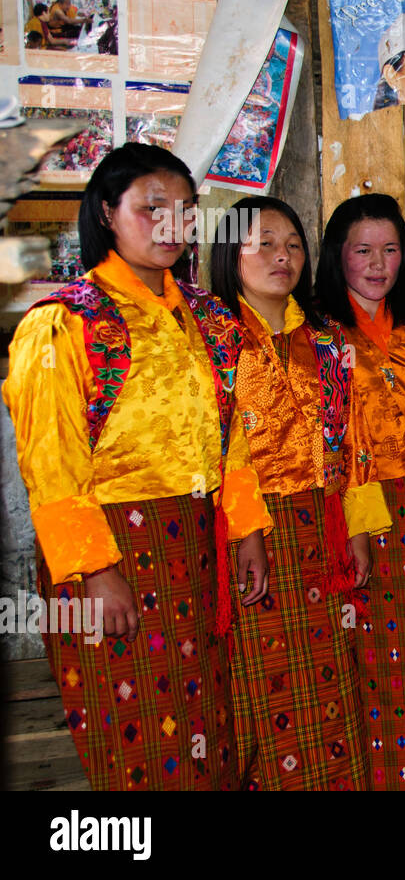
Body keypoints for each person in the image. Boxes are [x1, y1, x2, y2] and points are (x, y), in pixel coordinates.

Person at [3, 143, 272, 789]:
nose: (171, 224)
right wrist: (96, 569)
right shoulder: (68, 323)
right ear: (107, 211)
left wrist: (247, 530)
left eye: (185, 210)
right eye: (152, 207)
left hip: (196, 545)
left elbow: (229, 433)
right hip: (115, 549)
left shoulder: (208, 319)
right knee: (141, 735)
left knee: (208, 714)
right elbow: (51, 461)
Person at [209, 196, 383, 790]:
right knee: (260, 689)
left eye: (292, 244)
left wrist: (357, 528)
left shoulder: (327, 342)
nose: (281, 256)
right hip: (251, 531)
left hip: (322, 531)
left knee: (333, 684)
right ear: (231, 253)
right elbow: (215, 449)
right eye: (263, 243)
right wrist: (243, 533)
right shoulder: (214, 341)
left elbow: (352, 439)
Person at [314, 193, 405, 790]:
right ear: (337, 258)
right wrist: (359, 527)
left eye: (391, 249)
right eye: (363, 251)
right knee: (362, 670)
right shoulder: (319, 333)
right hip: (355, 512)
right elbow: (335, 443)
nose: (378, 264)